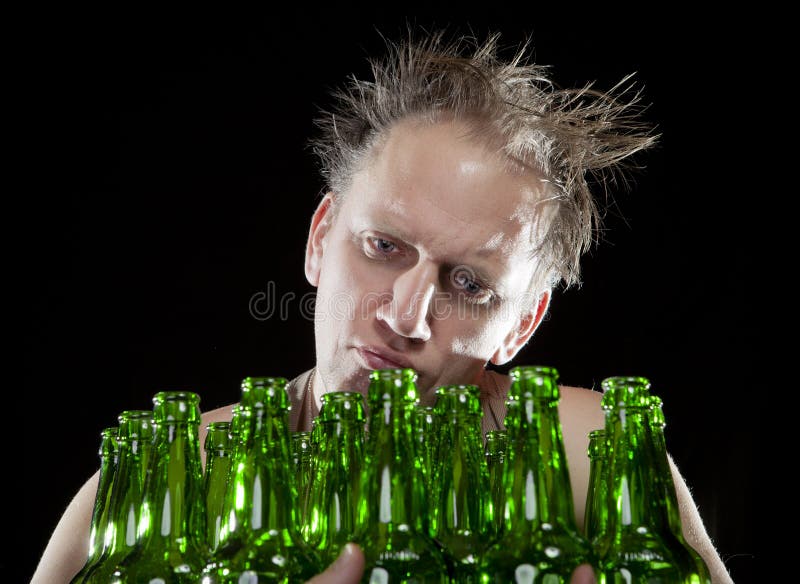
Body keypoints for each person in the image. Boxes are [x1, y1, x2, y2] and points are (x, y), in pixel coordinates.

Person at [31, 29, 733, 583]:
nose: (405, 316)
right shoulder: (163, 484)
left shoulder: (593, 459)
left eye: (467, 284)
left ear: (520, 325)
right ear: (319, 239)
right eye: (383, 246)